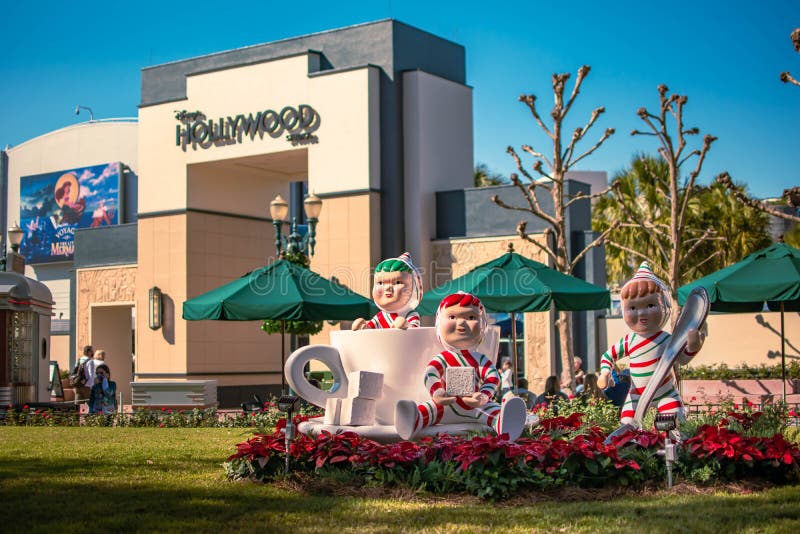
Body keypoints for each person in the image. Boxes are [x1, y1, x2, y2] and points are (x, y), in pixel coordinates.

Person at [394, 292, 527, 441]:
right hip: (444, 406)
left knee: (491, 410)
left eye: (471, 317)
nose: (461, 323)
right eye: (452, 317)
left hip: (475, 406)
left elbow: (492, 377)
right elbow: (430, 374)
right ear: (439, 323)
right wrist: (437, 392)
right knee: (428, 409)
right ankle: (412, 420)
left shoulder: (479, 359)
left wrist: (483, 396)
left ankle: (505, 422)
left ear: (483, 325)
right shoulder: (443, 358)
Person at [597, 262, 704, 425]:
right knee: (627, 425)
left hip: (665, 393)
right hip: (636, 395)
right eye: (633, 308)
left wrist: (693, 347)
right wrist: (605, 373)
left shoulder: (666, 339)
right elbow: (608, 356)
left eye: (650, 305)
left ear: (664, 306)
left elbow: (681, 359)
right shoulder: (629, 341)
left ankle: (668, 440)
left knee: (671, 423)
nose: (642, 313)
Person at [352, 252, 423, 330]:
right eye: (380, 283)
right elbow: (371, 329)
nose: (387, 288)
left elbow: (415, 329)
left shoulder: (410, 314)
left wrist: (405, 324)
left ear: (414, 288)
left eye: (397, 282)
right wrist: (363, 327)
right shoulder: (381, 316)